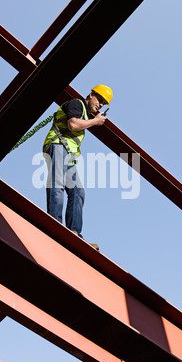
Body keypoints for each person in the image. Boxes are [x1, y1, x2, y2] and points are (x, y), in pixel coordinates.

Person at [43, 85, 113, 248]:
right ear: (91, 94)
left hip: (68, 155)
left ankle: (74, 233)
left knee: (78, 191)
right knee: (57, 184)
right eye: (100, 99)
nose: (100, 104)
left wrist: (91, 120)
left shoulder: (84, 114)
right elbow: (72, 125)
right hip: (58, 145)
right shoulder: (76, 104)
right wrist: (95, 121)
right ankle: (54, 223)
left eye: (103, 103)